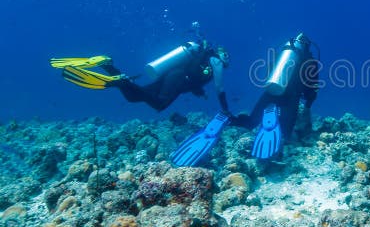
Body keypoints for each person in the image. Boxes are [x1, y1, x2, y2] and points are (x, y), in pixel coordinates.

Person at [51, 33, 231, 114]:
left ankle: (109, 67)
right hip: (177, 78)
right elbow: (219, 87)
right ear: (222, 54)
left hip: (172, 74)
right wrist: (225, 109)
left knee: (136, 97)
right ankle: (121, 81)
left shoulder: (203, 57)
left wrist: (198, 90)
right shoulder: (216, 61)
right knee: (159, 104)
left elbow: (194, 75)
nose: (227, 60)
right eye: (227, 56)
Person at [228, 32, 320, 159]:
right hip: (292, 96)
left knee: (251, 122)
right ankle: (277, 150)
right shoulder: (310, 61)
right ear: (308, 47)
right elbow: (312, 88)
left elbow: (269, 71)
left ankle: (230, 119)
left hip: (272, 90)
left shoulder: (282, 54)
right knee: (286, 132)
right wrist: (308, 103)